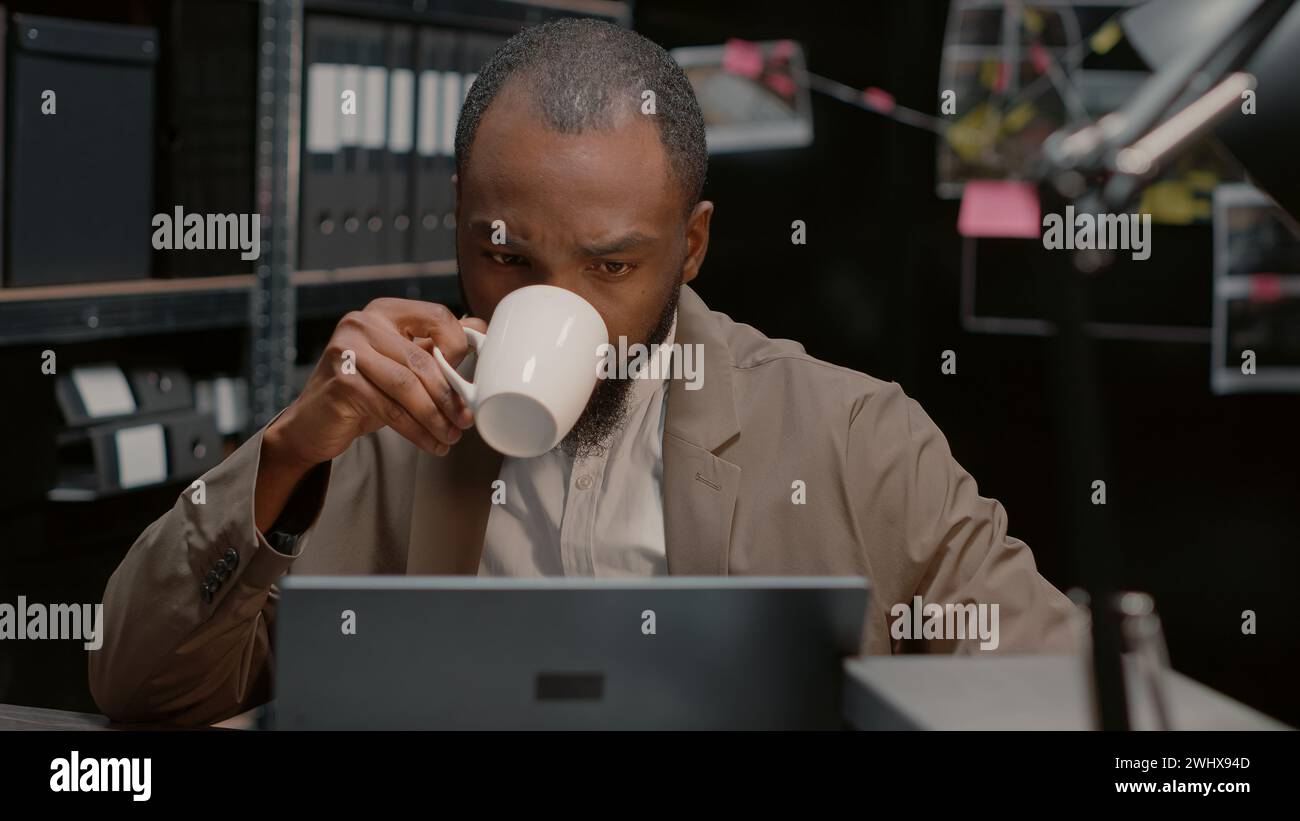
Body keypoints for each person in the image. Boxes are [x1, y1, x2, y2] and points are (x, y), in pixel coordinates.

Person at [90, 18, 1079, 725]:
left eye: (611, 265)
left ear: (690, 246)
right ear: (458, 223)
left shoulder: (852, 437)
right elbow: (140, 688)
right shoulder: (374, 424)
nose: (553, 303)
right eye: (507, 255)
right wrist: (289, 447)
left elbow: (1059, 691)